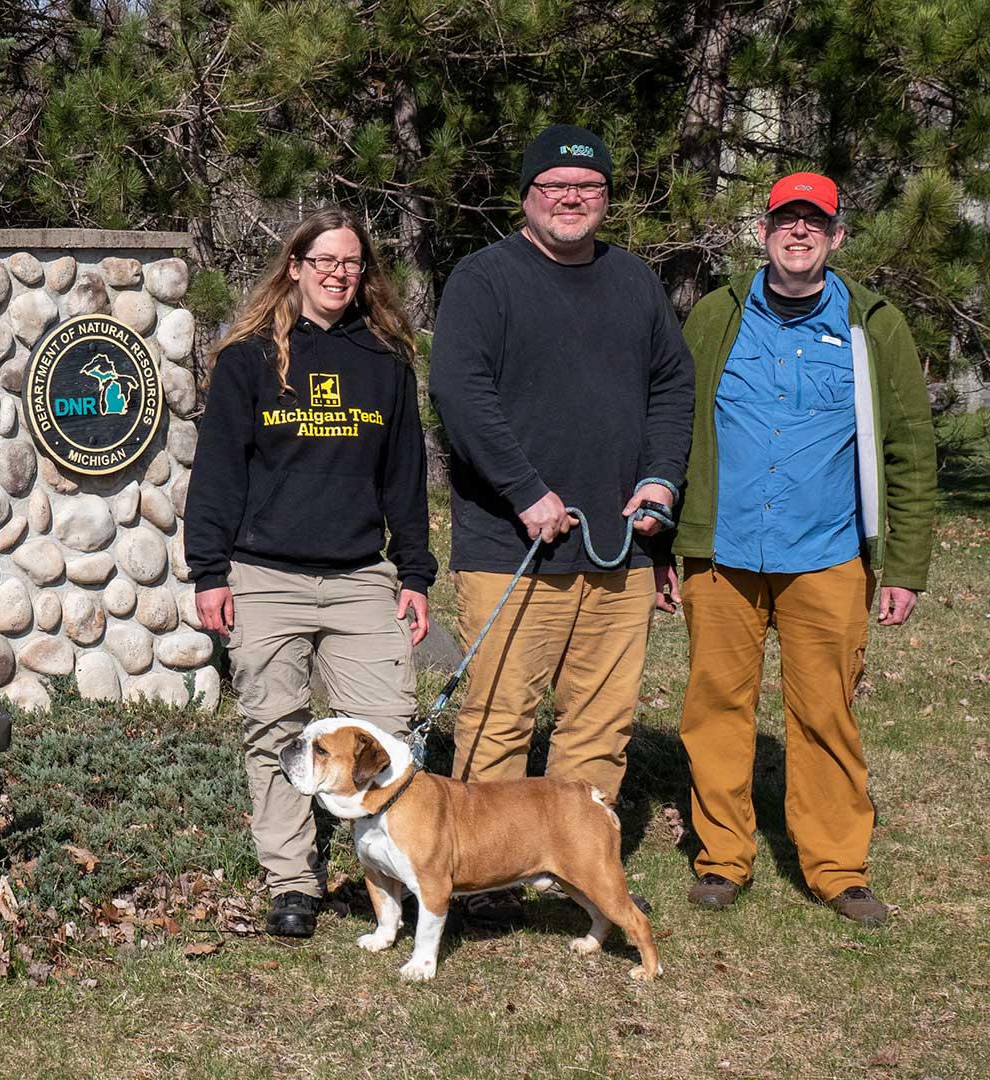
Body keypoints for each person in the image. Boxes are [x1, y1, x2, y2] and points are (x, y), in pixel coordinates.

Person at [428, 124, 693, 924]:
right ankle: (480, 878)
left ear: (605, 199)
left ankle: (575, 870)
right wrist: (525, 490)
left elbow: (672, 392)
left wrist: (657, 482)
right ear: (528, 197)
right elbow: (460, 392)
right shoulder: (485, 280)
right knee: (498, 723)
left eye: (588, 189)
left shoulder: (636, 284)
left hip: (618, 553)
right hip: (513, 547)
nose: (572, 200)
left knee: (600, 726)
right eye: (555, 187)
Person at [673, 172, 936, 926]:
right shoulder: (717, 317)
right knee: (715, 707)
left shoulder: (872, 324)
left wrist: (906, 567)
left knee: (825, 713)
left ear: (837, 237)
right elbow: (679, 425)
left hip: (828, 555)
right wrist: (668, 543)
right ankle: (723, 858)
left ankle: (835, 867)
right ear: (763, 232)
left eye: (813, 223)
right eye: (785, 220)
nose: (798, 233)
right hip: (721, 553)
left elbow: (910, 448)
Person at [185, 208, 436, 939]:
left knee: (387, 733)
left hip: (362, 575)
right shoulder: (249, 358)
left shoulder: (386, 360)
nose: (338, 274)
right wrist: (210, 572)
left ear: (364, 276)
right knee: (275, 728)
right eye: (323, 260)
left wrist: (414, 573)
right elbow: (217, 478)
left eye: (351, 264)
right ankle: (293, 882)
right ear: (293, 266)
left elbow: (406, 479)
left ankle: (396, 872)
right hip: (266, 576)